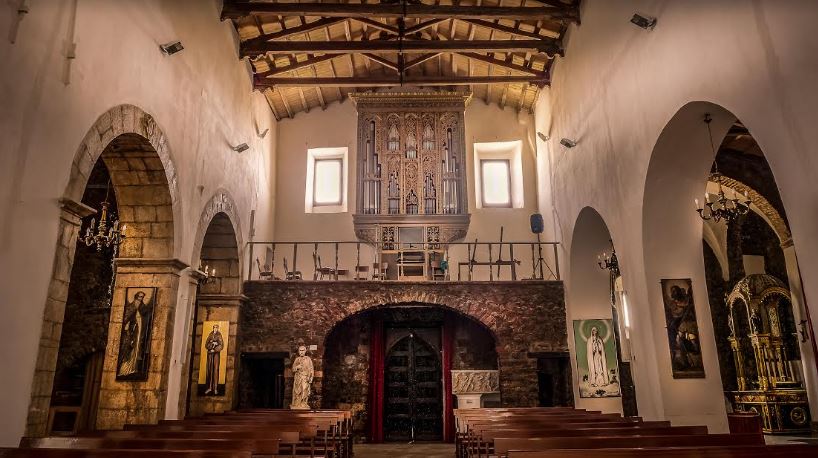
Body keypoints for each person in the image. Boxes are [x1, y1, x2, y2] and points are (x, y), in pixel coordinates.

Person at [118, 290, 152, 377]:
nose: (141, 298)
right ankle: (124, 370)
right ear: (136, 296)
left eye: (142, 297)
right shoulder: (131, 306)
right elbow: (126, 318)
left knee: (136, 349)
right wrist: (129, 328)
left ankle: (133, 368)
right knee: (128, 349)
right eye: (140, 296)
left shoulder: (143, 308)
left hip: (139, 333)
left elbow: (145, 319)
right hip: (131, 332)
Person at [204, 324, 225, 395]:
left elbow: (221, 345)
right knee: (209, 370)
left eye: (216, 328)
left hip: (216, 355)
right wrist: (211, 345)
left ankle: (215, 388)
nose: (215, 329)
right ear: (213, 328)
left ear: (217, 329)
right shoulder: (210, 334)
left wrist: (215, 349)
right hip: (210, 354)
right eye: (214, 328)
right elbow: (206, 344)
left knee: (215, 370)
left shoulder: (219, 335)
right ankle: (209, 388)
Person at [291, 345, 314, 409]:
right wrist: (297, 367)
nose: (301, 352)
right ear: (298, 351)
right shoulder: (297, 359)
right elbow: (293, 369)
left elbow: (311, 369)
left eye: (303, 350)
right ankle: (297, 404)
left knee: (305, 390)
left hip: (305, 378)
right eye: (300, 350)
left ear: (305, 351)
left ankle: (303, 403)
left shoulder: (308, 359)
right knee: (298, 391)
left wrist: (311, 378)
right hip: (298, 378)